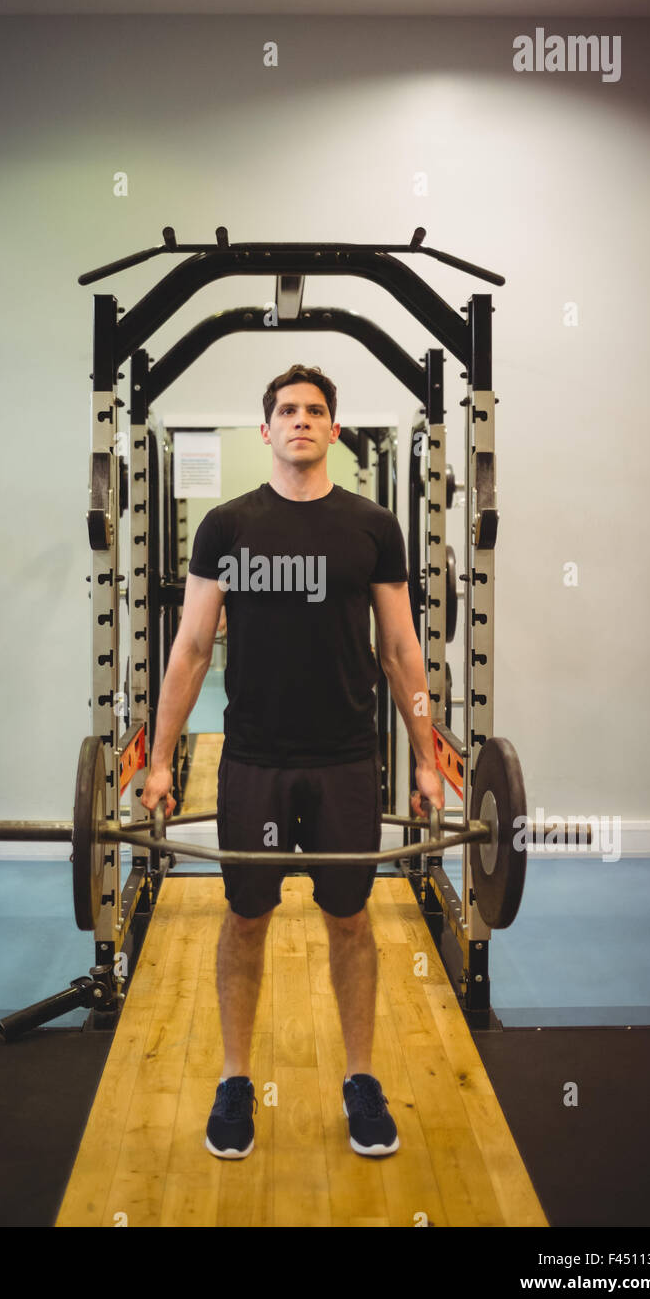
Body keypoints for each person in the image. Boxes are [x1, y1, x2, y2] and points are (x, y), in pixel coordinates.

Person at [141, 364, 444, 1159]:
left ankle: (360, 1079)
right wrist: (162, 758)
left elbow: (403, 649)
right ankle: (236, 1079)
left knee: (351, 920)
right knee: (245, 921)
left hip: (345, 757)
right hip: (255, 760)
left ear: (334, 431)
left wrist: (427, 759)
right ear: (267, 428)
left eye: (315, 410)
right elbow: (194, 646)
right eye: (287, 410)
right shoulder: (226, 527)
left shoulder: (374, 526)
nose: (301, 420)